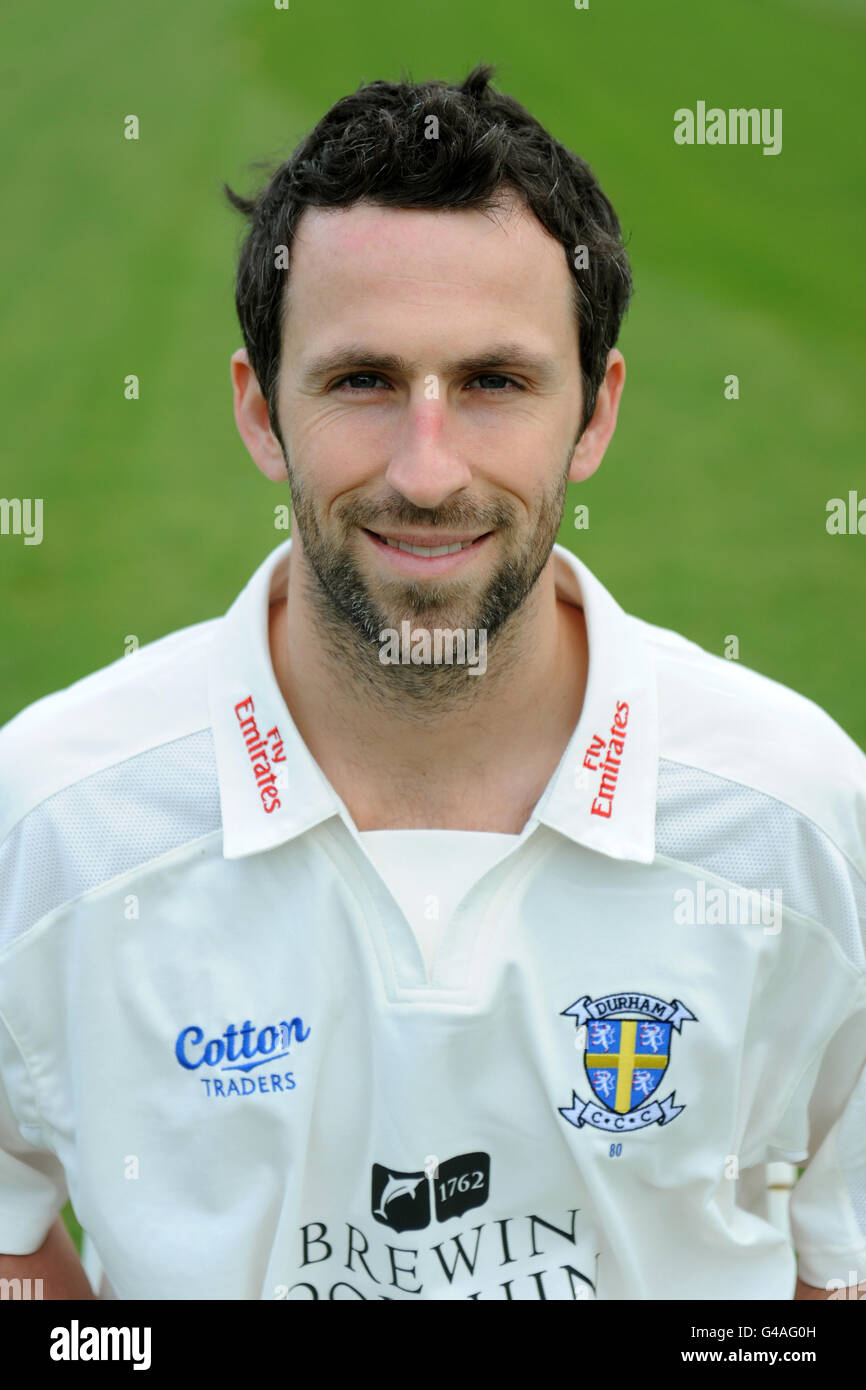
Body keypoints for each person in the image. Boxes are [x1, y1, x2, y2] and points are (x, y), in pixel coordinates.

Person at [0, 64, 864, 1302]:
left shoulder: (795, 815)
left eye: (493, 384)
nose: (424, 467)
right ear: (260, 412)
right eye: (360, 382)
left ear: (593, 414)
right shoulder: (54, 817)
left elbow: (839, 1268)